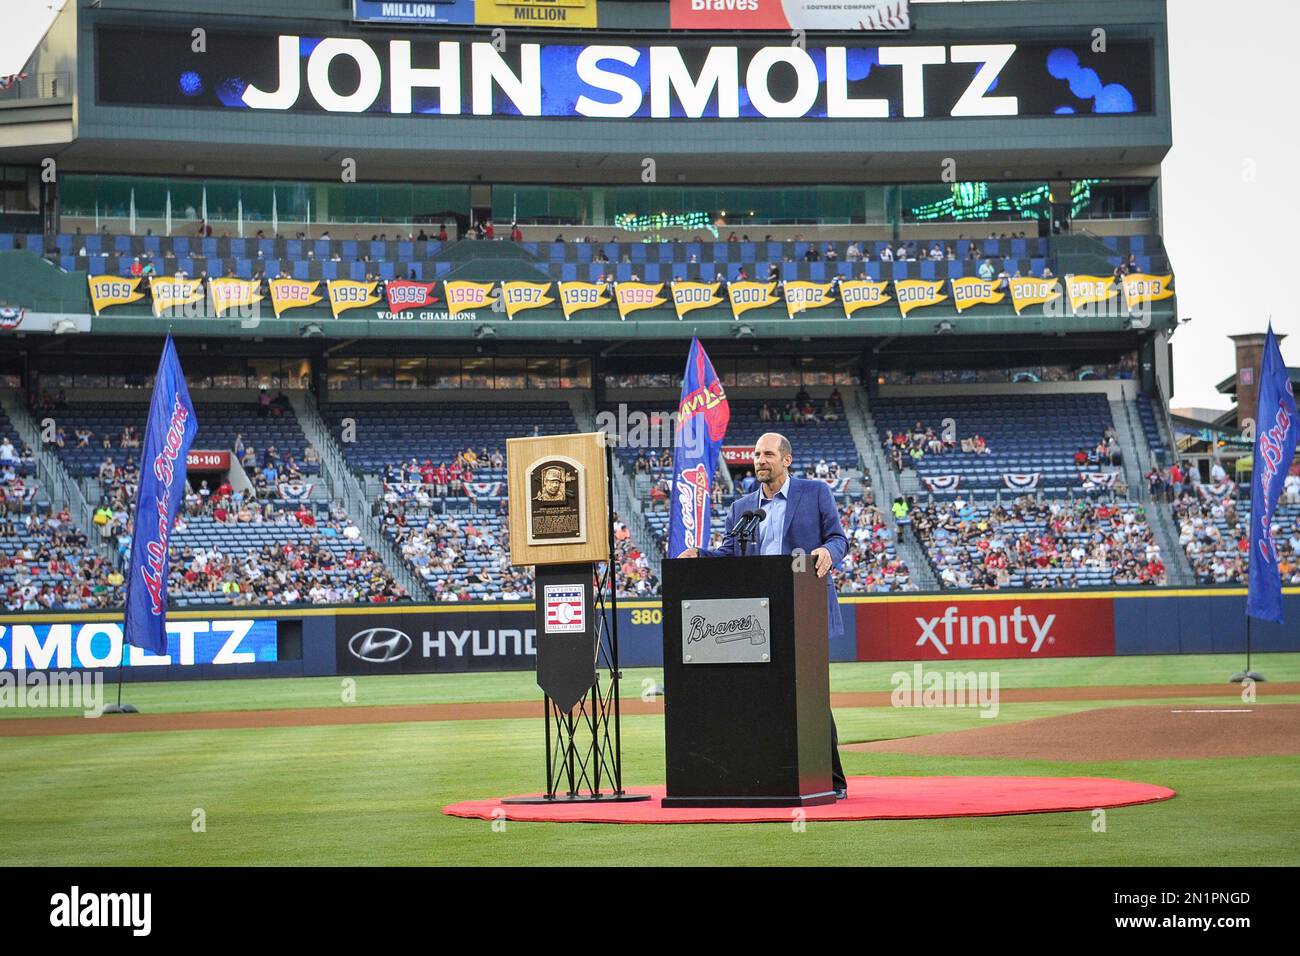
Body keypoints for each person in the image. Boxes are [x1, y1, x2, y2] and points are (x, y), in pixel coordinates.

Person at [676, 432, 850, 798]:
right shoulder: (742, 508)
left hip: (804, 608)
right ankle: (769, 776)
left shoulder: (815, 492)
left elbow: (838, 538)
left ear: (786, 459)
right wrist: (700, 555)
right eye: (756, 454)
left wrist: (826, 552)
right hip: (756, 615)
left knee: (811, 696)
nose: (759, 460)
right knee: (763, 695)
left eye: (768, 454)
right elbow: (729, 554)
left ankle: (831, 780)